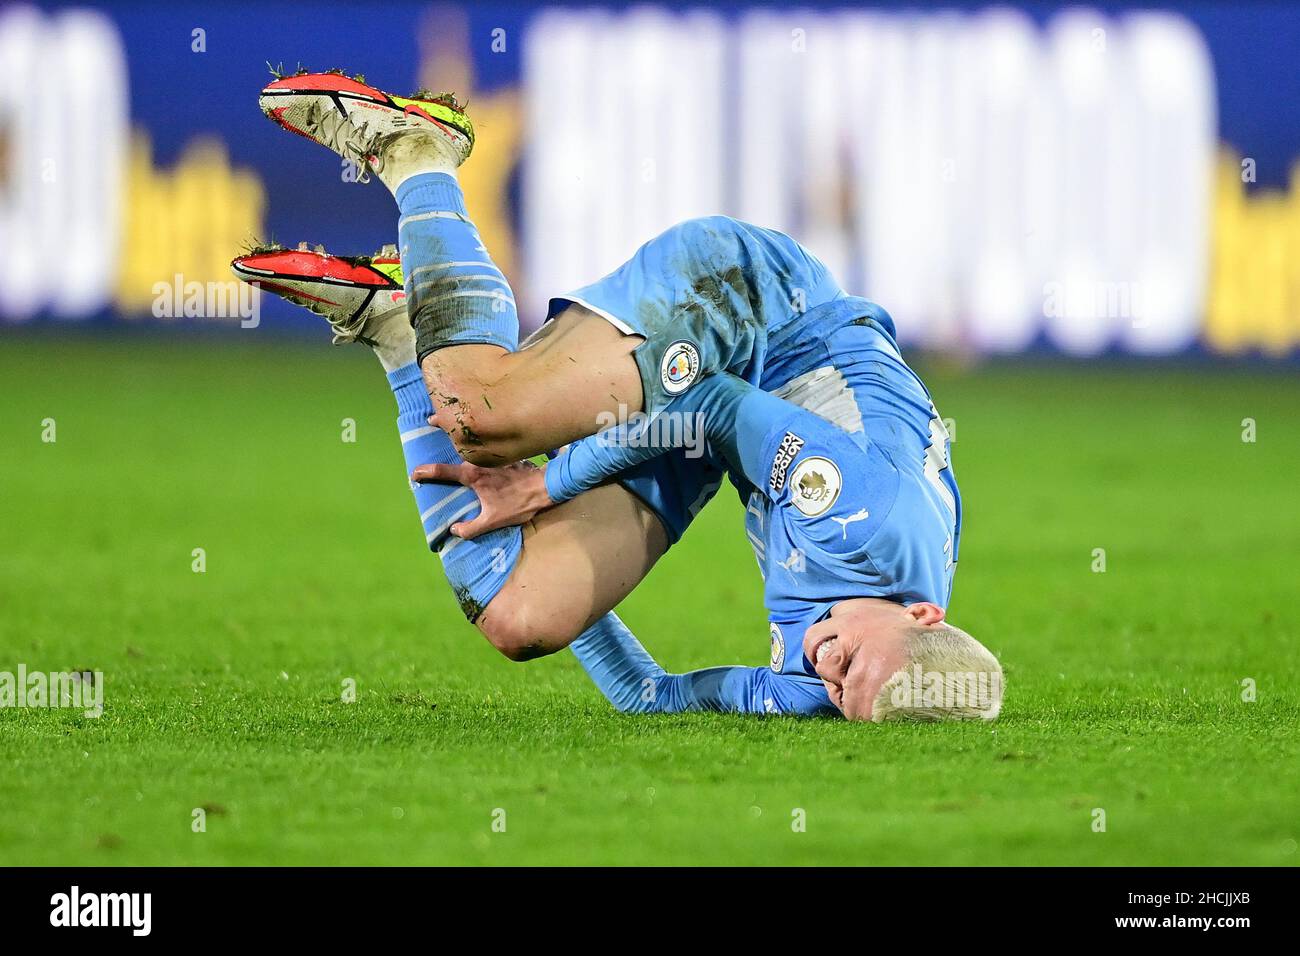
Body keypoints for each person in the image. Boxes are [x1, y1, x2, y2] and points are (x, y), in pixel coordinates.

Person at [234, 69, 1004, 721]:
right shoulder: (861, 514)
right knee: (487, 416)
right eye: (851, 662)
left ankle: (406, 336)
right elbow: (708, 403)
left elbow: (650, 697)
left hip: (726, 427)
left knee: (520, 614)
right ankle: (421, 152)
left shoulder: (827, 682)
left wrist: (569, 565)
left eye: (842, 695)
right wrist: (551, 480)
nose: (825, 666)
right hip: (759, 311)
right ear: (922, 613)